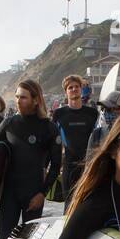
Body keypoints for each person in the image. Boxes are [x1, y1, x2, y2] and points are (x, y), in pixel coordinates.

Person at [0, 80, 58, 239]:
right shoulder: (7, 124)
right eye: (17, 97)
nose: (18, 100)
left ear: (35, 100)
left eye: (23, 97)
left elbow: (56, 165)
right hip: (9, 194)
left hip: (33, 193)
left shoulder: (49, 128)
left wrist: (42, 194)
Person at [51, 74, 99, 204]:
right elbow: (53, 141)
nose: (74, 89)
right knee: (69, 204)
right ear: (66, 92)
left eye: (76, 86)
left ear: (81, 88)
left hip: (88, 165)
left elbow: (98, 139)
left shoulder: (92, 113)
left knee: (88, 203)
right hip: (69, 165)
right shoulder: (59, 114)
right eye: (70, 87)